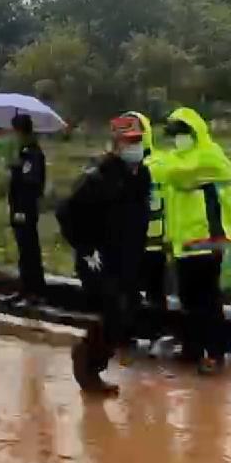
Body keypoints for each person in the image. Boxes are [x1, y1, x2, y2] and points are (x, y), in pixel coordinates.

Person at [56, 114, 150, 395]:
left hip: (129, 257)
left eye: (138, 141)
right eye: (129, 141)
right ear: (116, 144)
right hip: (98, 259)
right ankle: (88, 364)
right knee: (112, 311)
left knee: (127, 315)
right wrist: (85, 249)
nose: (134, 146)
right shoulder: (98, 175)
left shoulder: (142, 175)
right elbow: (66, 212)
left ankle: (92, 359)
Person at [158, 107, 231, 375]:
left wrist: (158, 162)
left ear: (194, 132)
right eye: (173, 135)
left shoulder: (209, 158)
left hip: (207, 241)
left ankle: (214, 354)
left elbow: (176, 175)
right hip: (185, 244)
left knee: (207, 301)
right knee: (188, 299)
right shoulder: (178, 158)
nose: (176, 139)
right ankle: (193, 349)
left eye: (181, 133)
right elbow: (174, 203)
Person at [125, 111, 169, 346]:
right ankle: (131, 333)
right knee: (129, 289)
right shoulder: (122, 165)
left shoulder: (159, 165)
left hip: (155, 238)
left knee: (154, 290)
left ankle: (156, 333)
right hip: (129, 240)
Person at [6, 113, 47, 307]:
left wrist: (17, 169)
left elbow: (31, 183)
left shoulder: (33, 154)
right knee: (24, 251)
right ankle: (24, 289)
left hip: (26, 209)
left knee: (30, 251)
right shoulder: (24, 152)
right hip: (18, 208)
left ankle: (35, 292)